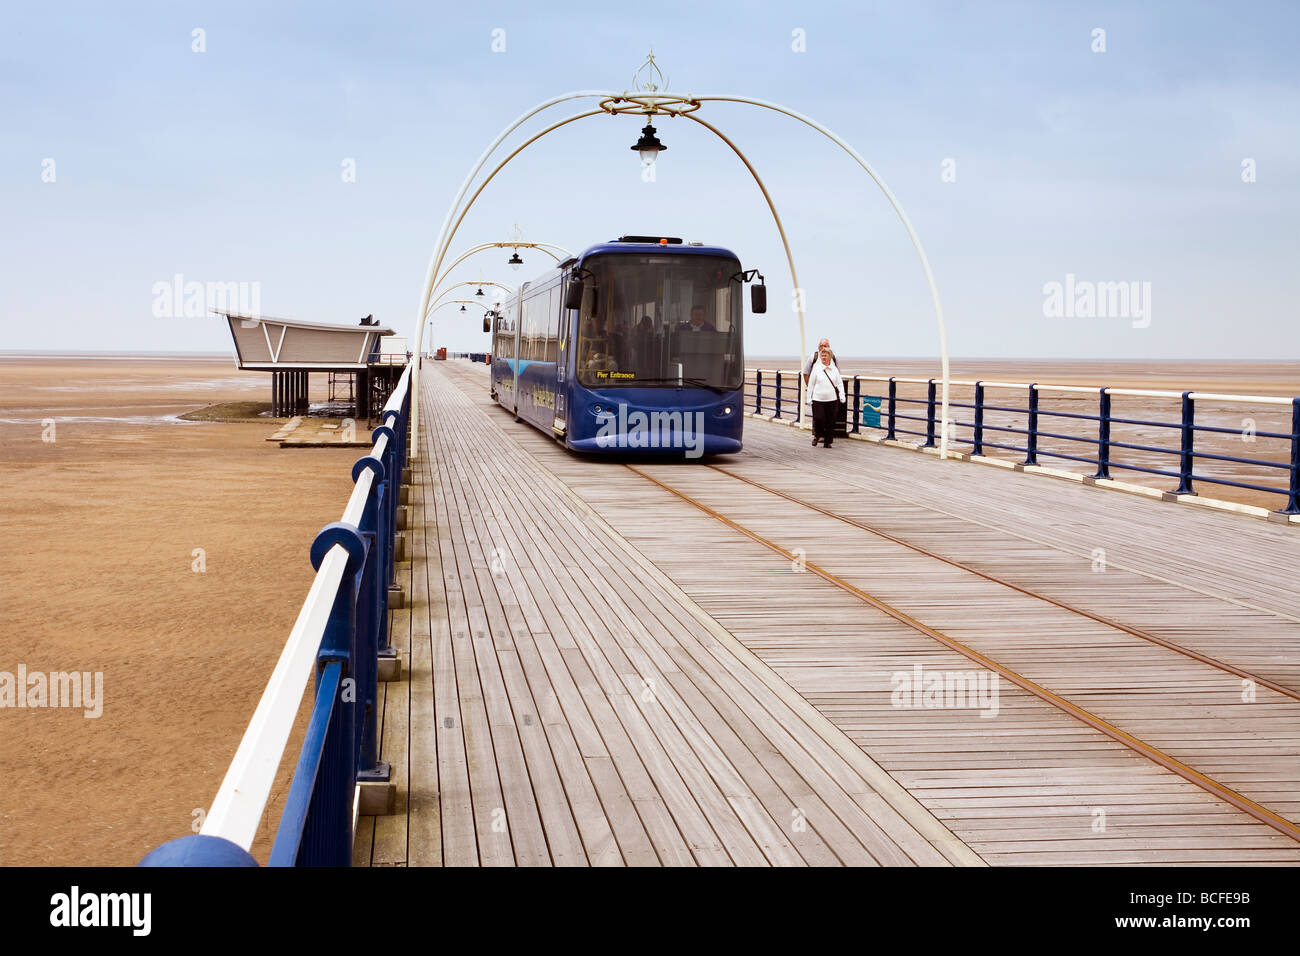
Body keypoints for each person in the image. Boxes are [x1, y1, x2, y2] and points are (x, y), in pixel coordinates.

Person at [805, 342, 846, 447]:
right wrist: (808, 398)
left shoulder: (834, 370)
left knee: (830, 421)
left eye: (825, 355)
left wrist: (842, 395)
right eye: (822, 355)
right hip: (818, 399)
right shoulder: (816, 369)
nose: (823, 357)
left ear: (830, 356)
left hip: (832, 399)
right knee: (819, 419)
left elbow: (839, 383)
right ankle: (818, 435)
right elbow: (811, 385)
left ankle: (828, 442)